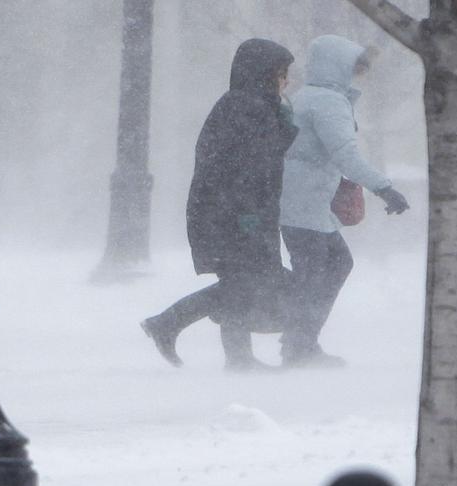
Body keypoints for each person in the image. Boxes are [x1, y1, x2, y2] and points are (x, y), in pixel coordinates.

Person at [142, 39, 298, 372]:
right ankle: (169, 323)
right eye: (282, 74)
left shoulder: (248, 104)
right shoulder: (247, 107)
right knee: (245, 283)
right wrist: (249, 218)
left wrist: (283, 118)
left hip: (229, 212)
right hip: (235, 214)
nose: (286, 82)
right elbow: (246, 168)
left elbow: (261, 158)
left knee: (240, 284)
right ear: (264, 74)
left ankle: (233, 354)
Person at [278, 35, 410, 368]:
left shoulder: (307, 96)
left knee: (324, 268)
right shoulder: (327, 102)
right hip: (306, 204)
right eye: (354, 67)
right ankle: (299, 346)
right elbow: (345, 155)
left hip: (301, 202)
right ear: (338, 65)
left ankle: (299, 341)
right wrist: (384, 188)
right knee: (324, 269)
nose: (357, 74)